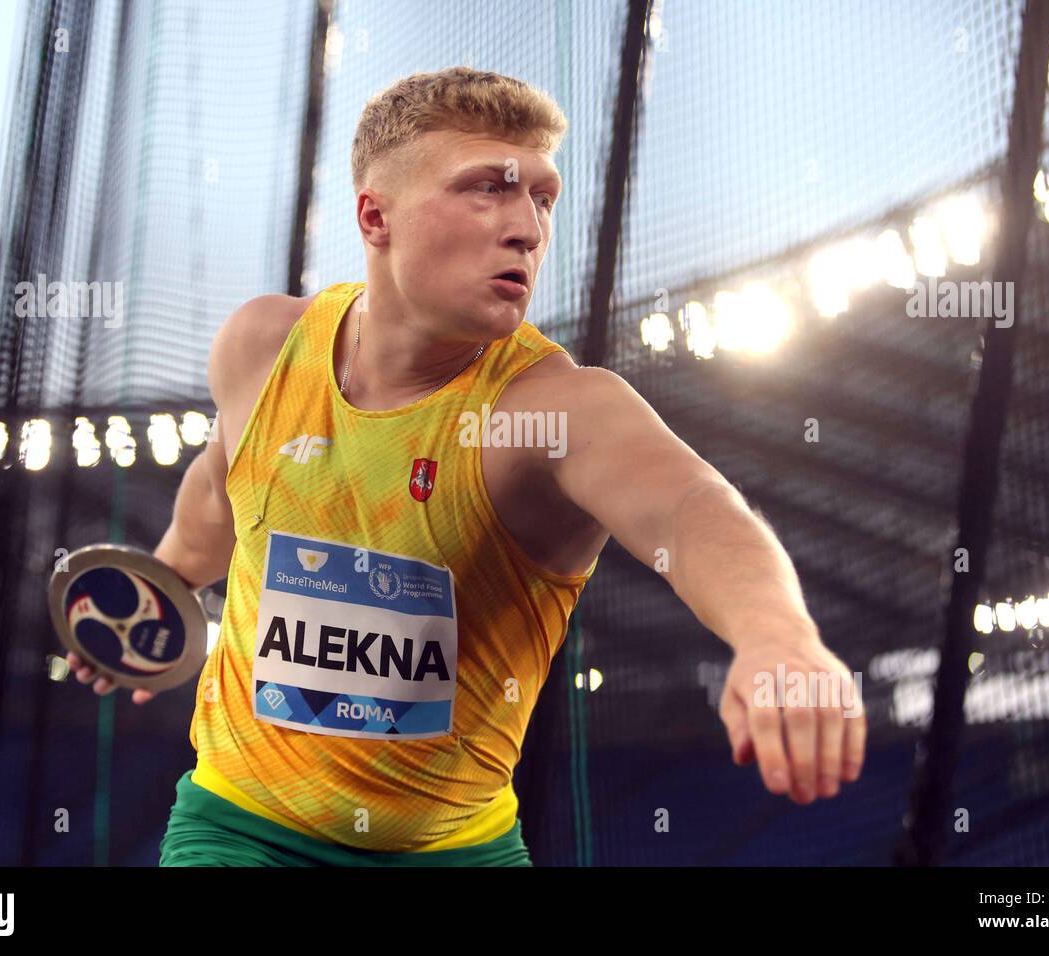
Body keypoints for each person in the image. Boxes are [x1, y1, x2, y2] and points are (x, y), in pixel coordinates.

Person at [68, 66, 866, 866]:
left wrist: (778, 637)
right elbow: (221, 483)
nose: (527, 228)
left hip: (453, 851)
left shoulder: (555, 412)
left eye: (542, 198)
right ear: (375, 216)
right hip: (239, 830)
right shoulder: (263, 347)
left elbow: (694, 510)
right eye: (487, 189)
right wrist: (165, 580)